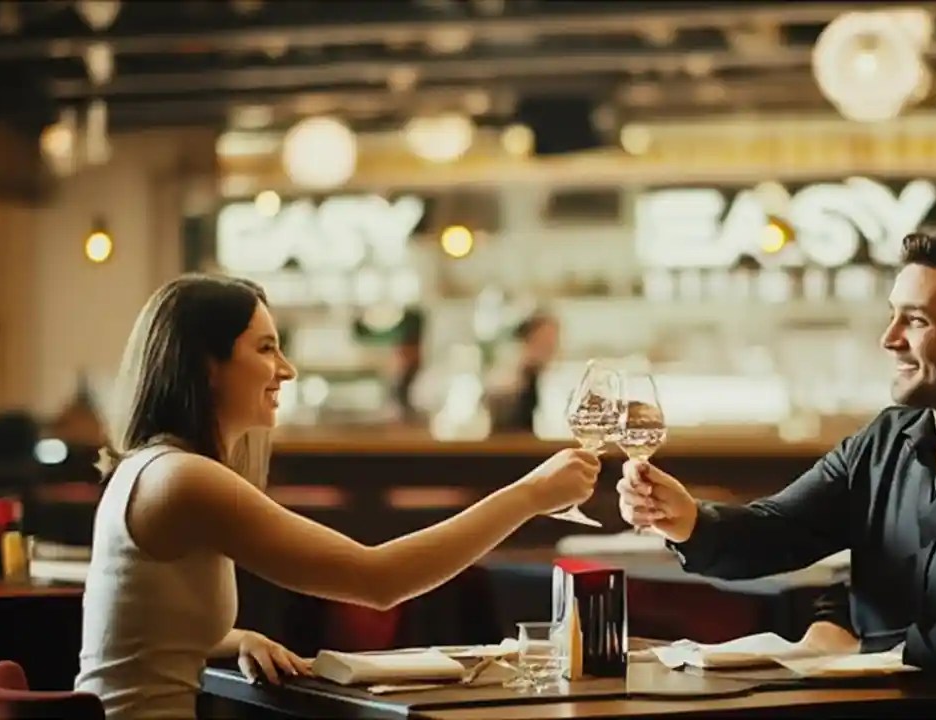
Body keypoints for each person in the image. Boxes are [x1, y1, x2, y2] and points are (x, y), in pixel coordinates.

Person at [75, 274, 600, 719]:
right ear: (206, 366)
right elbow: (377, 579)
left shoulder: (154, 468)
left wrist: (237, 639)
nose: (287, 368)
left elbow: (145, 638)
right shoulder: (184, 479)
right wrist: (531, 494)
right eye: (265, 348)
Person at [618, 224, 936, 688]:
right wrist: (686, 520)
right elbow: (777, 531)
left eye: (916, 320)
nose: (889, 338)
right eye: (892, 314)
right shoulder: (884, 441)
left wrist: (862, 650)